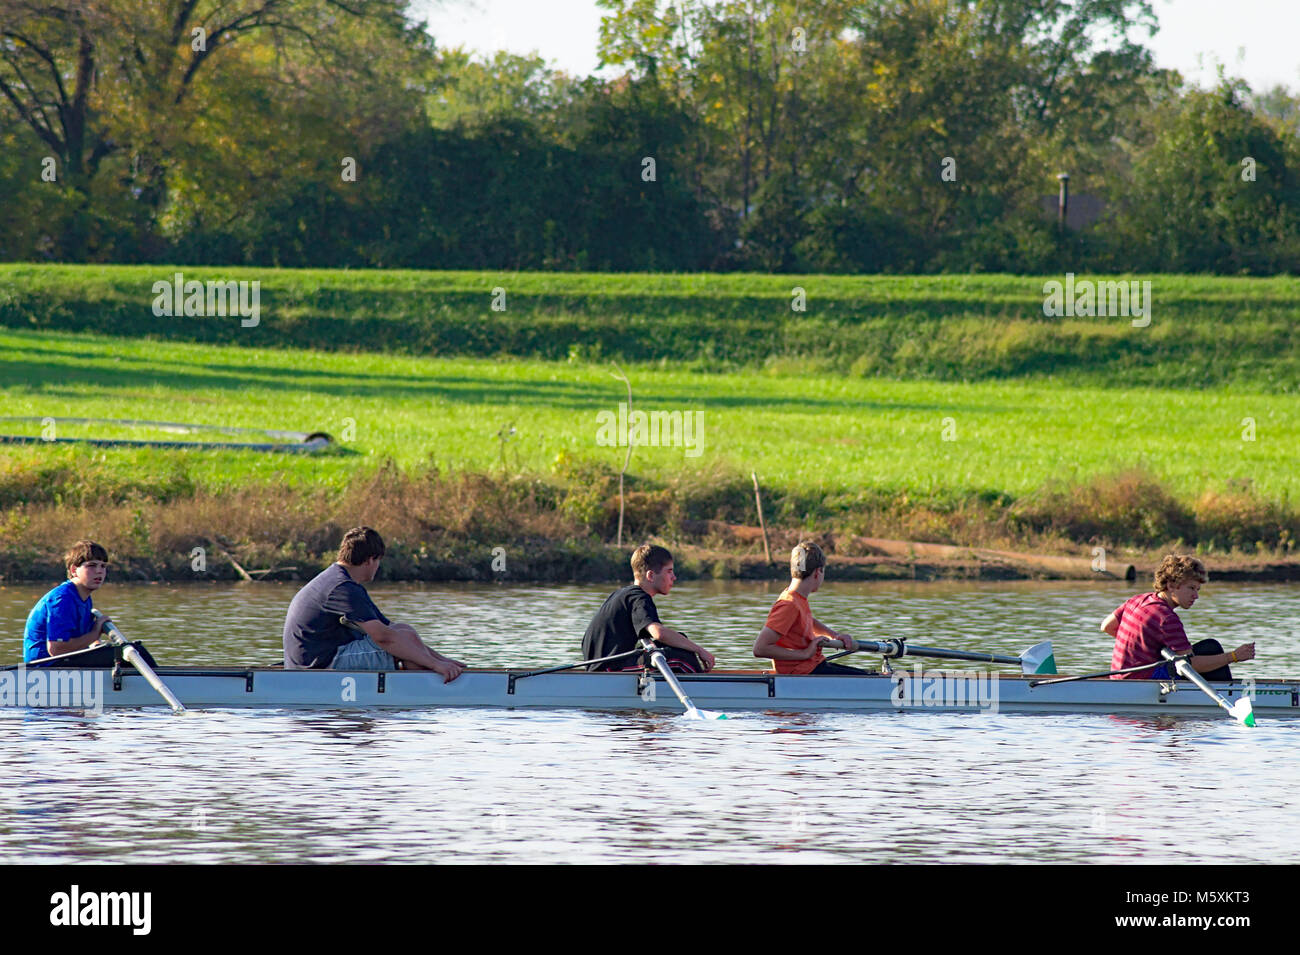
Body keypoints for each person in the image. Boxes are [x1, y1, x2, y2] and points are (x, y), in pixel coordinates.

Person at [283, 526, 466, 681]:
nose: (378, 567)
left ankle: (426, 684)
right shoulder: (342, 588)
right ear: (370, 560)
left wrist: (443, 660)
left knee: (404, 631)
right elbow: (383, 637)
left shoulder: (341, 580)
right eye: (378, 561)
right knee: (405, 650)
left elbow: (393, 630)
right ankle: (418, 702)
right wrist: (435, 664)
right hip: (317, 665)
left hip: (318, 657)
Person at [1102, 554, 1255, 680]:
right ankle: (1229, 697)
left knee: (1203, 651)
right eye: (1191, 588)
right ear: (1170, 585)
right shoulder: (1166, 618)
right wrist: (1234, 656)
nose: (1196, 596)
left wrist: (1142, 646)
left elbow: (1107, 627)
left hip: (1118, 678)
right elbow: (1192, 664)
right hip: (1143, 681)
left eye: (1198, 589)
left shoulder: (1137, 599)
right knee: (1211, 648)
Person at [582, 544, 716, 672]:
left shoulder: (623, 594)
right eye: (669, 571)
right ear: (651, 575)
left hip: (607, 664)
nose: (674, 577)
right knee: (682, 658)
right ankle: (707, 689)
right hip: (609, 668)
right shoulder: (639, 598)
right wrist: (700, 650)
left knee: (680, 640)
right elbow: (659, 633)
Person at [23, 540, 157, 667]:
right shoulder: (63, 599)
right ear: (74, 570)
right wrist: (95, 633)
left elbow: (82, 638)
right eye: (92, 566)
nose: (99, 571)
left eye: (103, 566)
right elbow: (57, 650)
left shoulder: (84, 597)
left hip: (64, 661)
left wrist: (96, 643)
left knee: (127, 653)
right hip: (46, 666)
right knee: (137, 652)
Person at [753, 541, 869, 675]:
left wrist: (835, 635)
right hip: (803, 674)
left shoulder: (796, 598)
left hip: (814, 667)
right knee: (871, 680)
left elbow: (807, 620)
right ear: (818, 572)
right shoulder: (789, 604)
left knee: (869, 675)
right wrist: (805, 653)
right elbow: (760, 648)